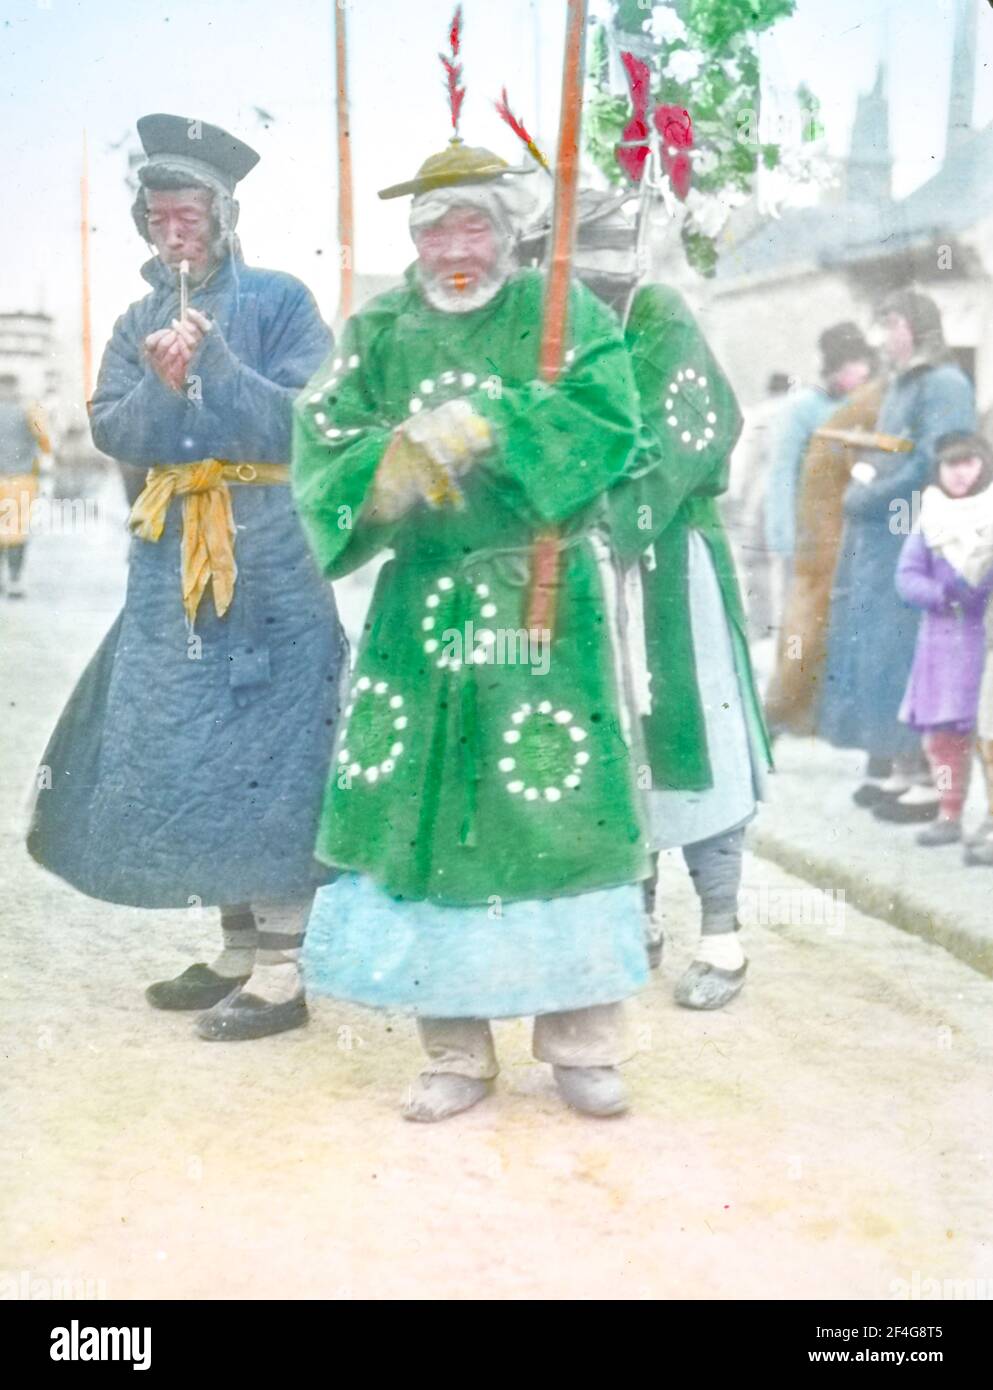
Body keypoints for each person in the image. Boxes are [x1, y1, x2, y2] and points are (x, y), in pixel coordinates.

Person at [293, 139, 651, 1122]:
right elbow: (324, 437)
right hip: (428, 603)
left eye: (475, 224)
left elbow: (612, 418)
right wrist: (402, 455)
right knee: (427, 812)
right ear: (413, 239)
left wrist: (499, 417)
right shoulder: (377, 329)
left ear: (510, 232)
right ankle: (453, 1048)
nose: (455, 245)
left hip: (542, 595)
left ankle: (581, 1040)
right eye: (434, 227)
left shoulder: (564, 312)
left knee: (556, 805)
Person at [27, 114, 347, 1041]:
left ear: (225, 215)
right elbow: (115, 430)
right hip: (174, 565)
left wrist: (217, 366)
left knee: (275, 750)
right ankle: (237, 953)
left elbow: (304, 423)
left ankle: (284, 974)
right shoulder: (135, 322)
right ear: (144, 224)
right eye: (160, 216)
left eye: (190, 214)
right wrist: (165, 386)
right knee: (195, 749)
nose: (176, 232)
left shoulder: (283, 302)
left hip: (273, 558)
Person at [524, 189, 772, 1010]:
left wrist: (600, 524)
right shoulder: (550, 343)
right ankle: (634, 913)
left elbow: (680, 438)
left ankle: (722, 935)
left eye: (581, 282)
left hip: (666, 559)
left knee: (689, 728)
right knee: (612, 733)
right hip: (590, 564)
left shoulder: (656, 318)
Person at [818, 289, 975, 815]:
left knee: (921, 656)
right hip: (886, 541)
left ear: (916, 328)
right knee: (889, 657)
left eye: (892, 325)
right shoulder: (900, 386)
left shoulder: (944, 383)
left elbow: (934, 460)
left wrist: (867, 496)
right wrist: (862, 482)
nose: (884, 338)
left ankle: (933, 780)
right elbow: (887, 455)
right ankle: (903, 766)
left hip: (924, 537)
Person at [894, 433, 993, 846]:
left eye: (969, 463)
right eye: (952, 464)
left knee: (988, 736)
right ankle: (948, 811)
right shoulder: (929, 516)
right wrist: (940, 595)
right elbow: (906, 576)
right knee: (943, 736)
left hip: (983, 641)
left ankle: (990, 817)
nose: (960, 473)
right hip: (942, 642)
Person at [762, 324, 875, 636]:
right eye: (856, 366)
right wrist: (783, 538)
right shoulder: (801, 410)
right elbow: (782, 472)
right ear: (836, 366)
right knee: (805, 624)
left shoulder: (862, 405)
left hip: (851, 533)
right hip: (809, 534)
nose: (863, 374)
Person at [0, 377, 50, 598]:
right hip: (22, 478)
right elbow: (44, 439)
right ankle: (14, 581)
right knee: (17, 529)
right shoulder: (29, 410)